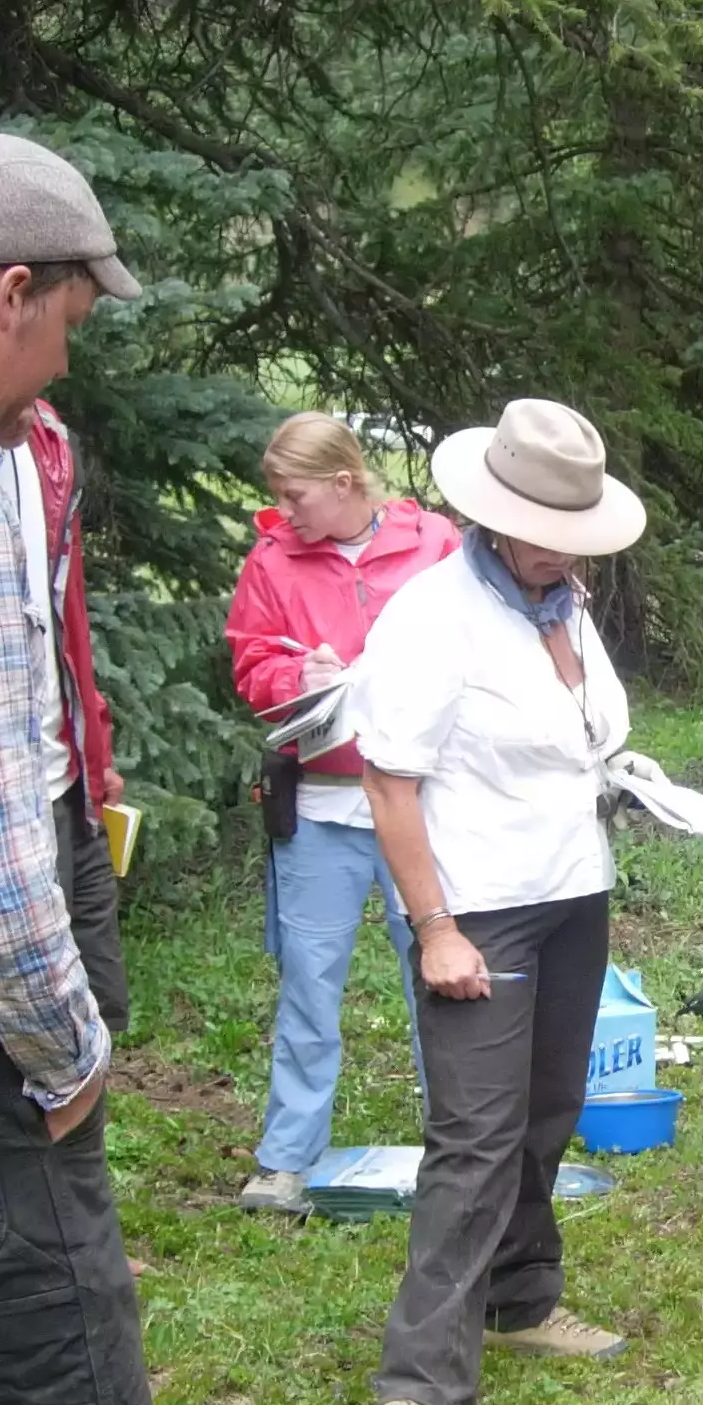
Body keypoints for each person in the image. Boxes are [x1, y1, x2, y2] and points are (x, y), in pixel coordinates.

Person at [344, 399, 645, 1405]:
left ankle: (522, 1300)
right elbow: (388, 783)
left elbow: (584, 734)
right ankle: (416, 1389)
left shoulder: (562, 602)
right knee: (473, 1138)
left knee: (547, 1110)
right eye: (551, 531)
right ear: (498, 517)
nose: (569, 551)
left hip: (573, 893)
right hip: (475, 903)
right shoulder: (434, 615)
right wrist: (435, 929)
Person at [0, 131, 156, 1405]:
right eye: (66, 314)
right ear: (6, 293)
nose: (72, 350)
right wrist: (61, 1037)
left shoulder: (23, 455)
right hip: (1, 1019)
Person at [226, 414, 460, 1211]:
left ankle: (459, 1146)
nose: (285, 512)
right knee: (309, 983)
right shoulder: (271, 559)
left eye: (296, 496)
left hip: (424, 809)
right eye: (277, 498)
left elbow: (482, 641)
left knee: (441, 975)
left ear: (345, 482)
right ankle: (287, 1159)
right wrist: (300, 675)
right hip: (322, 810)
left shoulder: (435, 545)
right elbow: (250, 661)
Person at [0, 398, 129, 1037]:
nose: (62, 367)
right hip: (15, 804)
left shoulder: (46, 440)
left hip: (69, 777)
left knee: (97, 1003)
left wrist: (93, 747)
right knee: (36, 1029)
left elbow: (62, 622)